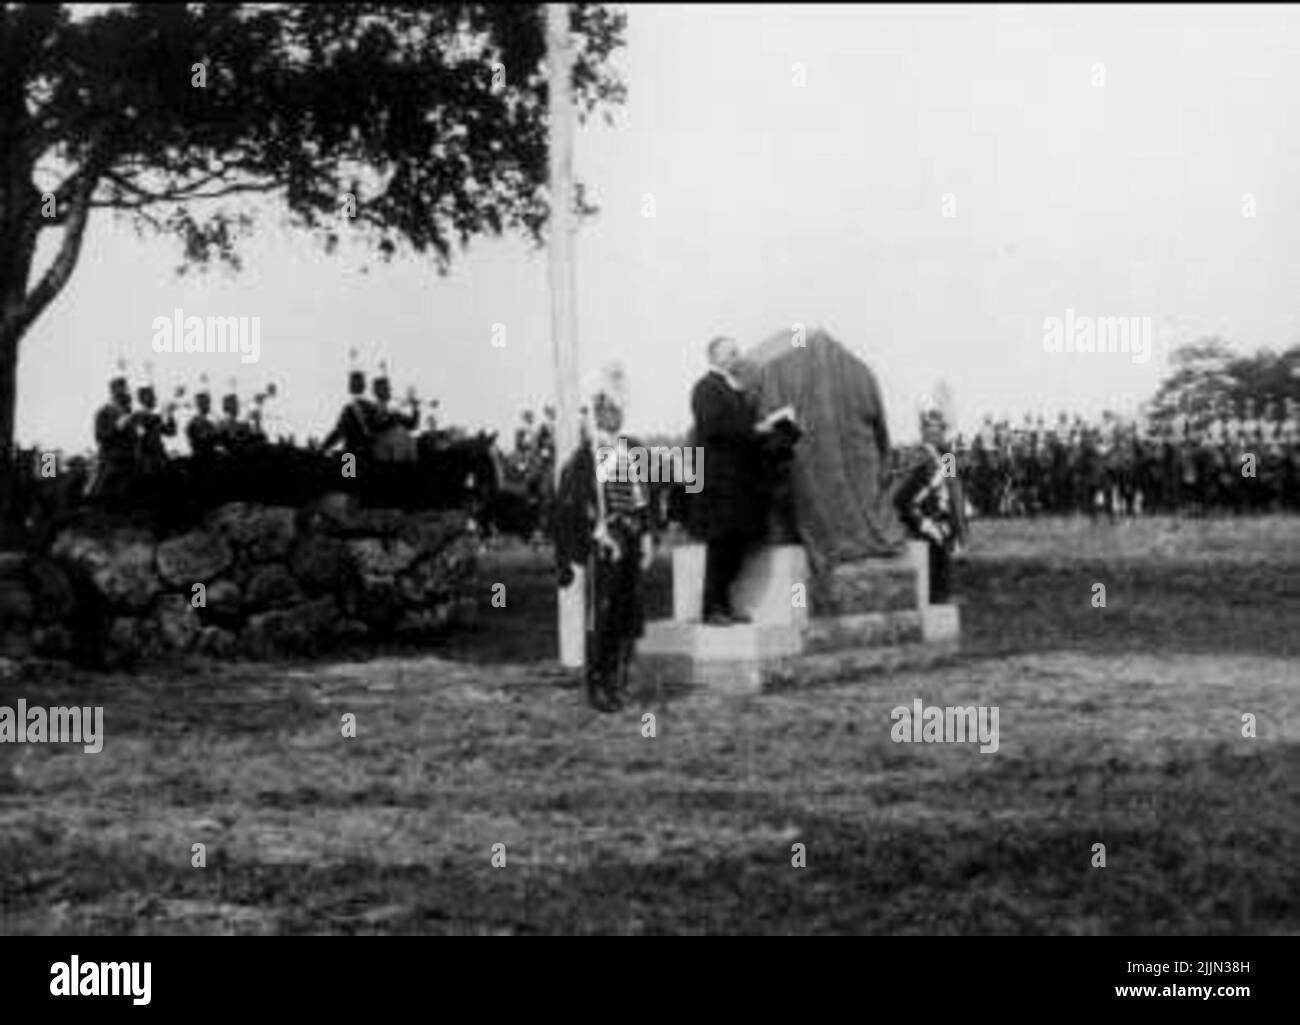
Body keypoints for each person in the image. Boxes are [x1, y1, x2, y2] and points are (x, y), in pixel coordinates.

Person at [553, 368, 655, 712]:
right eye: (605, 410)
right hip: (605, 544)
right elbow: (572, 503)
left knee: (628, 613)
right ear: (597, 414)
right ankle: (597, 685)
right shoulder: (588, 454)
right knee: (603, 615)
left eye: (616, 409)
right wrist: (594, 533)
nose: (612, 416)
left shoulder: (632, 449)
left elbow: (643, 500)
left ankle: (618, 680)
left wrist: (647, 537)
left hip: (630, 540)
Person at [689, 336, 770, 625]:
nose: (737, 356)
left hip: (737, 483)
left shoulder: (733, 389)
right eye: (731, 352)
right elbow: (716, 427)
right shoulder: (706, 388)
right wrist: (755, 429)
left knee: (735, 546)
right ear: (715, 357)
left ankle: (723, 604)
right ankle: (712, 608)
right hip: (719, 484)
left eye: (737, 351)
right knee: (721, 547)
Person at [894, 407, 966, 604]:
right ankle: (934, 599)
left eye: (939, 429)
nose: (936, 433)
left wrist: (958, 522)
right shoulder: (916, 454)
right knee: (933, 554)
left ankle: (944, 595)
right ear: (924, 431)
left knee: (945, 552)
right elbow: (903, 497)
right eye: (931, 429)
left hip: (941, 514)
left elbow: (953, 487)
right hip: (920, 518)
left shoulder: (947, 456)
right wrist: (923, 522)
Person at [87, 374, 136, 505]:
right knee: (99, 490)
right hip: (112, 459)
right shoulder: (104, 412)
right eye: (121, 389)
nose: (125, 392)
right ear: (113, 391)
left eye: (125, 389)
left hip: (131, 459)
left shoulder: (130, 414)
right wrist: (117, 427)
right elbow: (100, 437)